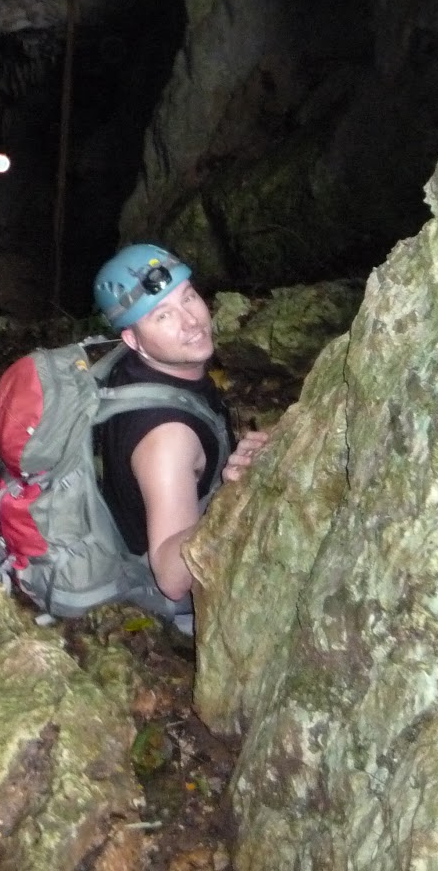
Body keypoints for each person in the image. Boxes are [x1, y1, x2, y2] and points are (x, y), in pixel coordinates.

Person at [92, 244, 269, 614]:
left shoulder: (143, 368)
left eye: (188, 297)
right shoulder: (169, 439)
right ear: (132, 340)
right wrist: (234, 496)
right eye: (163, 316)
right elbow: (173, 577)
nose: (191, 321)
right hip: (161, 599)